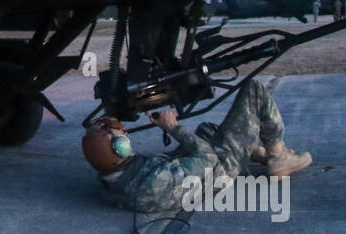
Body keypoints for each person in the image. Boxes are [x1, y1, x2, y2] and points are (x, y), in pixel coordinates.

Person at [83, 78, 311, 215]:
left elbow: (103, 154)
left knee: (205, 130)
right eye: (122, 138)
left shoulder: (107, 181)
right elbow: (207, 158)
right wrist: (173, 128)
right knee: (254, 90)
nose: (126, 138)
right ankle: (278, 155)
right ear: (120, 149)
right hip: (220, 168)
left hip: (186, 174)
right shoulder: (155, 181)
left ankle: (257, 153)